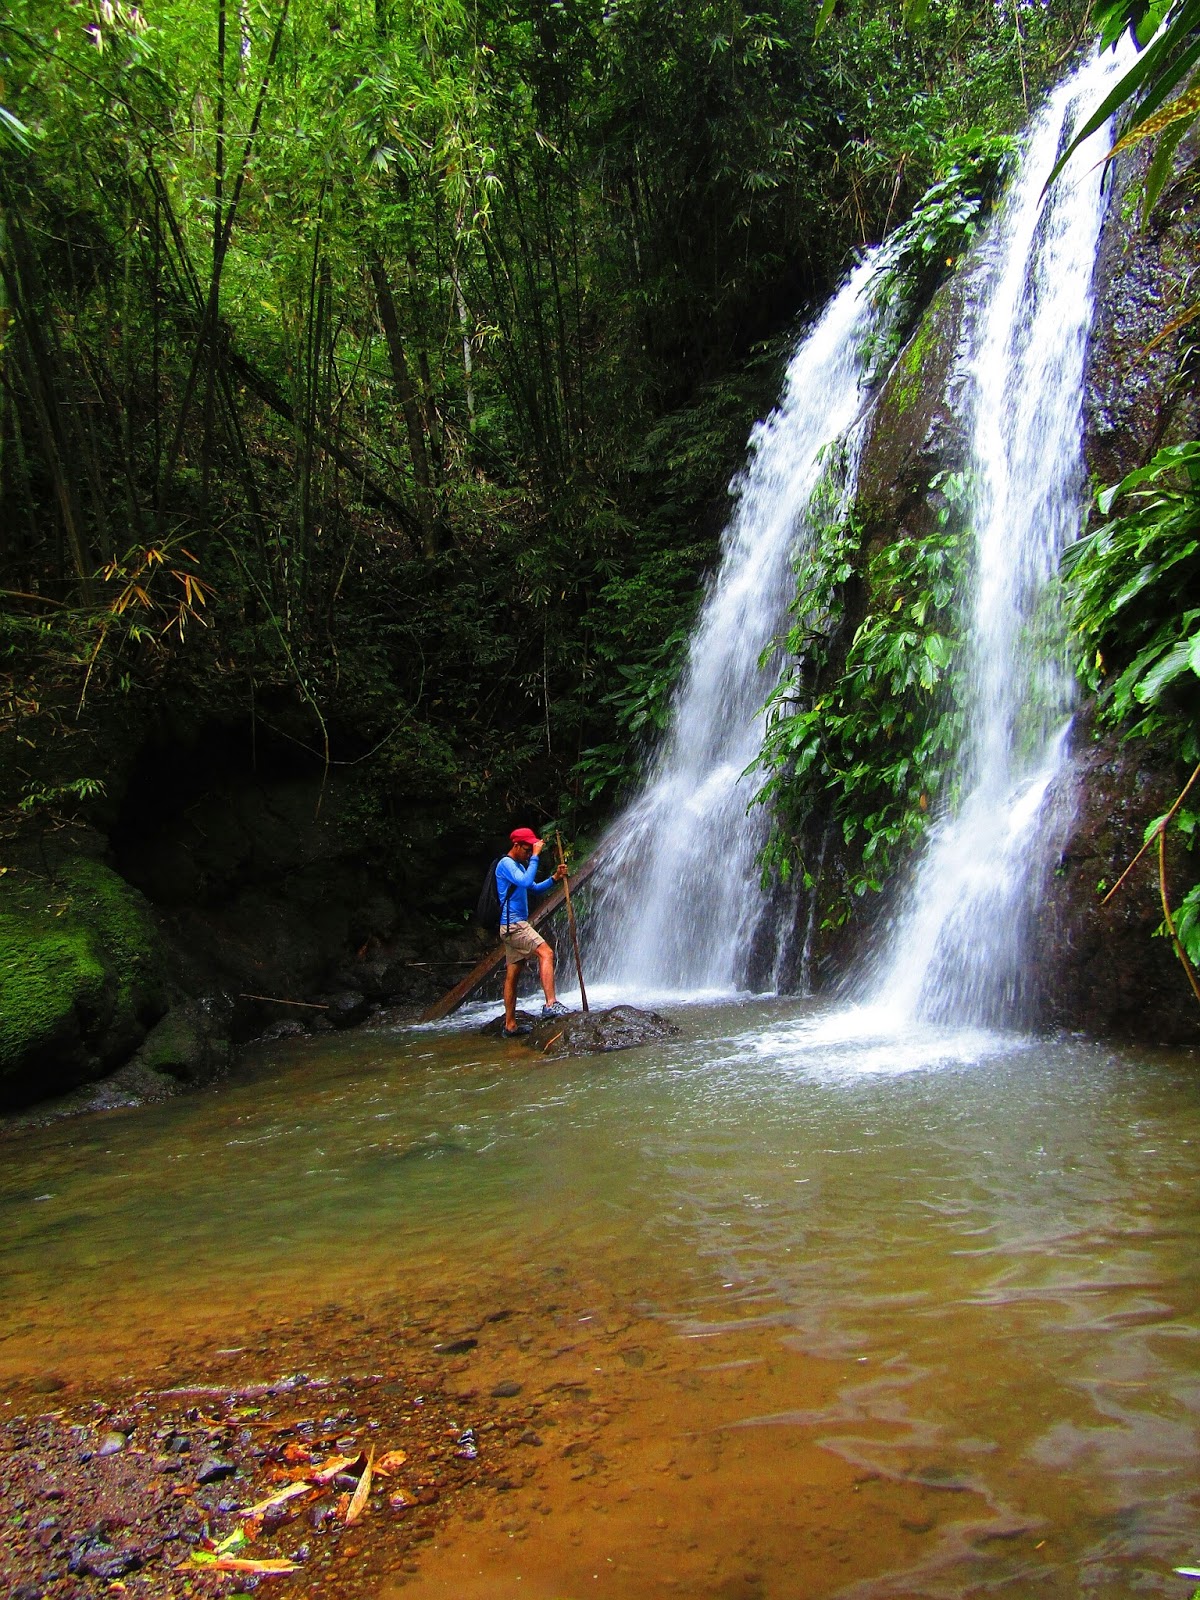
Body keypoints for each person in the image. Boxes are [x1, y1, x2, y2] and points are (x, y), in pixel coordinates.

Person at [497, 827, 570, 1037]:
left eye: (531, 851)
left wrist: (555, 878)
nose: (529, 853)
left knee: (512, 975)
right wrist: (536, 857)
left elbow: (534, 887)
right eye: (527, 849)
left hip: (510, 926)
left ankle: (510, 1025)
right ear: (516, 845)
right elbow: (527, 881)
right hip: (515, 925)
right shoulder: (506, 864)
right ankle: (550, 1004)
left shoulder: (517, 866)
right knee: (545, 953)